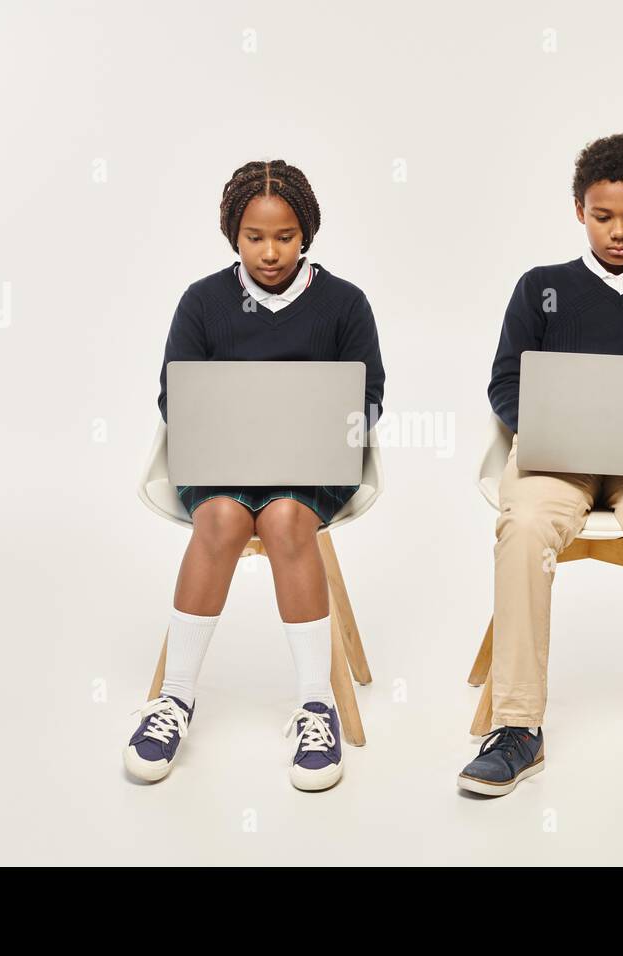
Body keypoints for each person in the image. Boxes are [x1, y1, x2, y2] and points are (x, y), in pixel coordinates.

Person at [457, 134, 623, 808]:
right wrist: (547, 425)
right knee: (521, 528)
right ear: (580, 209)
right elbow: (504, 385)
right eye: (604, 217)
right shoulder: (541, 287)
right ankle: (517, 727)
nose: (617, 231)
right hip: (557, 459)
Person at [124, 160, 385, 792]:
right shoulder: (204, 301)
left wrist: (320, 426)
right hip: (222, 461)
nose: (271, 252)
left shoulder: (344, 303)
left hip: (312, 467)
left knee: (287, 517)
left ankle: (313, 705)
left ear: (307, 234)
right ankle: (174, 701)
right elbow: (174, 398)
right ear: (233, 236)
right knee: (219, 516)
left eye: (286, 236)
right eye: (255, 237)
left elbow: (368, 398)